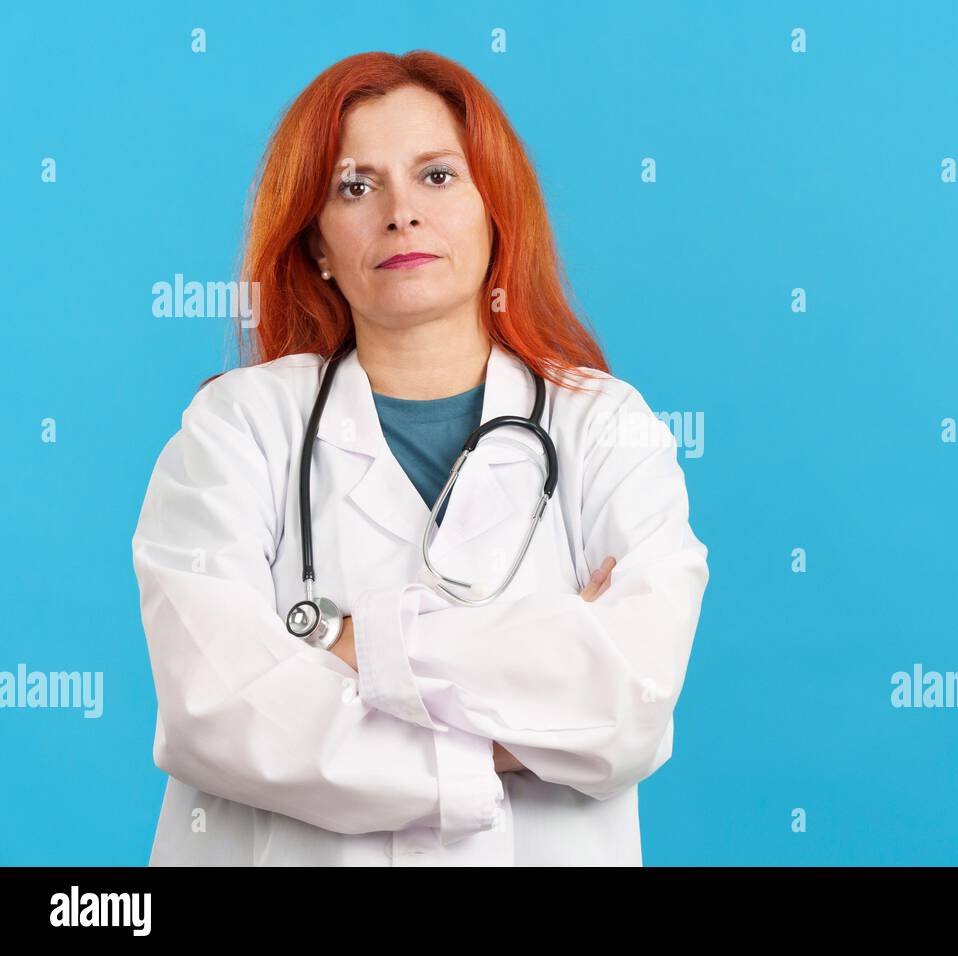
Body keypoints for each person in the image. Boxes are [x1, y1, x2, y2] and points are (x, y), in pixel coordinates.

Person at [131, 50, 709, 866]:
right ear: (318, 245)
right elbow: (218, 711)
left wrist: (344, 644)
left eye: (437, 177)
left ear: (493, 210)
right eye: (354, 187)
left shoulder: (605, 427)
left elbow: (627, 707)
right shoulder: (236, 428)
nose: (401, 214)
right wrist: (528, 702)